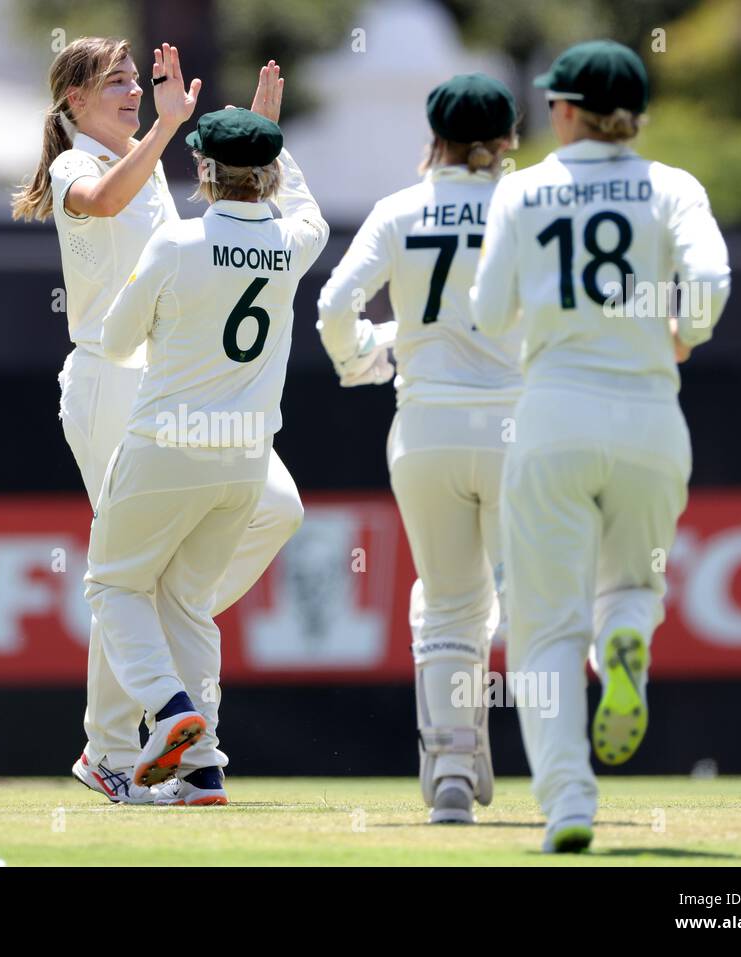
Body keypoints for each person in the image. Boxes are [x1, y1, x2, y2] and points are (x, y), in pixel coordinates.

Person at [12, 39, 304, 805]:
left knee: (270, 512)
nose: (134, 90)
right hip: (110, 379)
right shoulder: (80, 162)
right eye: (115, 81)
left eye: (135, 79)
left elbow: (232, 224)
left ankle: (156, 697)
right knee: (131, 577)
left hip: (161, 380)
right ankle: (110, 748)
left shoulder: (141, 161)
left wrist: (258, 144)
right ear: (73, 99)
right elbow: (103, 201)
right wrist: (170, 128)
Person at [470, 40, 731, 851]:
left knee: (546, 627)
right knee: (632, 585)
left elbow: (486, 311)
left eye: (555, 101)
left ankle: (570, 803)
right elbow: (712, 282)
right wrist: (684, 329)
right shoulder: (674, 186)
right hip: (652, 416)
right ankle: (628, 646)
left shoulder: (527, 189)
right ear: (636, 117)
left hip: (553, 416)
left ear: (573, 112)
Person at [83, 108, 328, 803]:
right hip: (246, 458)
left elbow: (120, 342)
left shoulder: (175, 242)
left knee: (114, 585)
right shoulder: (293, 241)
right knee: (188, 603)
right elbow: (309, 210)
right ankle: (202, 769)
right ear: (274, 173)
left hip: (168, 442)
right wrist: (270, 128)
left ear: (206, 173)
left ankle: (168, 710)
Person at [316, 74, 521, 825]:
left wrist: (364, 358)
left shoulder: (399, 210)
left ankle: (452, 771)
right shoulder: (527, 205)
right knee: (524, 603)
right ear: (506, 139)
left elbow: (336, 305)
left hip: (426, 428)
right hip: (517, 427)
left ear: (432, 131)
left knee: (448, 602)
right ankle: (556, 773)